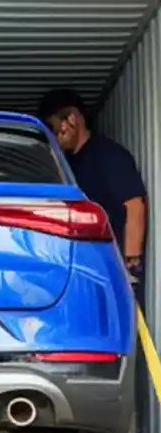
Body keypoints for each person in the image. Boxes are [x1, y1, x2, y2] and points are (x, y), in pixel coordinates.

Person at [38, 88, 148, 293]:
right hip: (85, 271)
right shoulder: (67, 165)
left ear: (71, 119)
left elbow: (134, 206)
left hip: (113, 271)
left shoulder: (108, 156)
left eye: (54, 129)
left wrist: (130, 267)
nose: (54, 138)